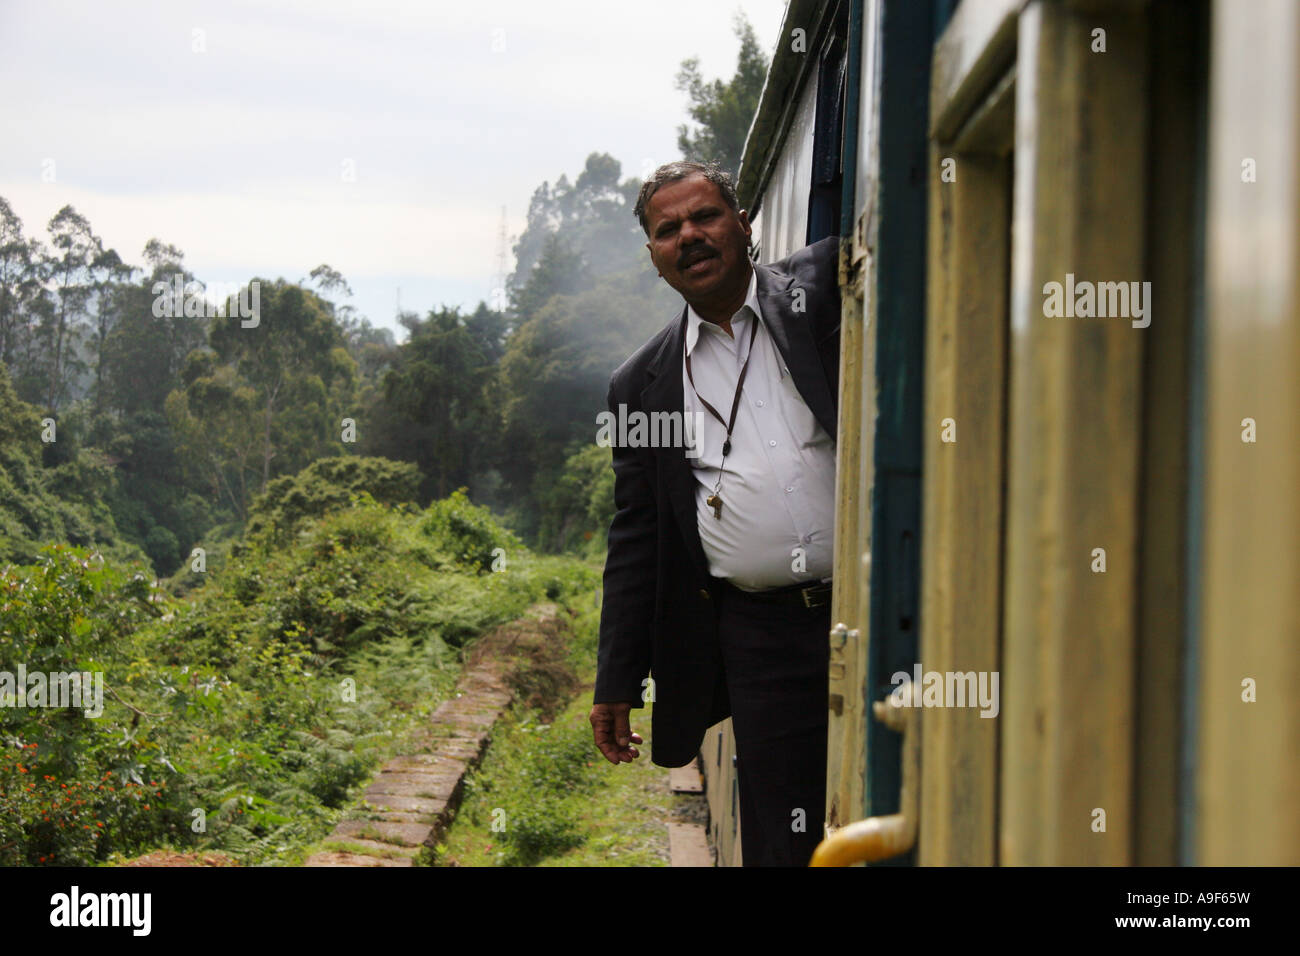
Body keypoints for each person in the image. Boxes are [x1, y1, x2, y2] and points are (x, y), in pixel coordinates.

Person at [588, 160, 841, 866]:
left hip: (876, 614)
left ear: (743, 223)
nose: (689, 236)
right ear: (654, 258)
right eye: (668, 230)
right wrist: (616, 680)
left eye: (705, 217)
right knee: (785, 840)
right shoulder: (641, 385)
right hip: (757, 638)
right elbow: (637, 537)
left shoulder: (825, 296)